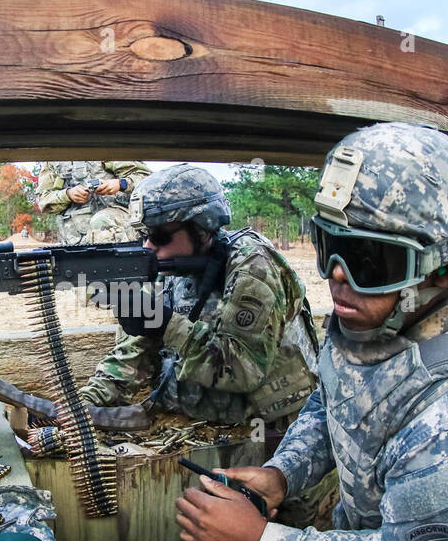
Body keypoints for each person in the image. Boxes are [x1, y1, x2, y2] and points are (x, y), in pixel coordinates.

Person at [174, 123, 448, 541]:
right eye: (328, 246)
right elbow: (336, 397)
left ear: (440, 270)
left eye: (367, 260)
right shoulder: (381, 328)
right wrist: (284, 474)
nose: (337, 275)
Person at [78, 164, 319, 426]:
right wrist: (86, 404)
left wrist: (165, 324)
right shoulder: (166, 269)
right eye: (144, 235)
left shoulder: (253, 266)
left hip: (261, 432)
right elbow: (131, 355)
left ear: (202, 226)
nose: (148, 247)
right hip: (190, 421)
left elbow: (243, 369)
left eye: (158, 236)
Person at [35, 161, 152, 244]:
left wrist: (119, 184)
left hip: (118, 232)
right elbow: (43, 201)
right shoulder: (54, 159)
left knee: (101, 220)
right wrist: (68, 194)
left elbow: (148, 180)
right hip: (73, 241)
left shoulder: (108, 147)